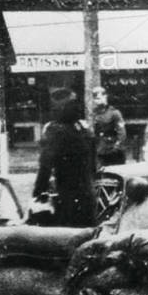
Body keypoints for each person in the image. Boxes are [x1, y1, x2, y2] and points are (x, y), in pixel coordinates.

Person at [33, 88, 96, 227]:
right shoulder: (59, 130)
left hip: (83, 191)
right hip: (68, 193)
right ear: (64, 108)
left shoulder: (78, 127)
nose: (78, 107)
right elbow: (46, 165)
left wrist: (38, 191)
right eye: (73, 104)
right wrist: (39, 190)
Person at [90, 85, 127, 165]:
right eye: (95, 99)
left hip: (113, 151)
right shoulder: (94, 113)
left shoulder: (114, 113)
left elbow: (122, 134)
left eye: (99, 98)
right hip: (100, 151)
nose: (97, 101)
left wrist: (116, 148)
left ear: (105, 97)